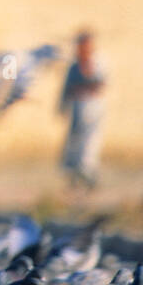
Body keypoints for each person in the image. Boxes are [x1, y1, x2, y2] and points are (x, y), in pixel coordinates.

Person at [59, 30, 106, 190]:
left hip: (92, 107)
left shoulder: (98, 63)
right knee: (74, 141)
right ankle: (73, 177)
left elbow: (99, 84)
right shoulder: (73, 67)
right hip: (77, 106)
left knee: (90, 143)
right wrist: (62, 105)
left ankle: (88, 175)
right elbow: (67, 87)